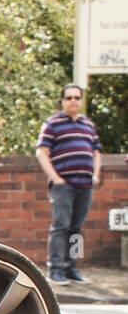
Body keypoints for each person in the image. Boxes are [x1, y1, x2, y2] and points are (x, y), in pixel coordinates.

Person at [36, 83, 103, 284]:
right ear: (63, 101)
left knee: (77, 228)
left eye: (77, 97)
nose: (73, 101)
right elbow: (41, 153)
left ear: (81, 100)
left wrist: (95, 175)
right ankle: (55, 270)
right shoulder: (52, 123)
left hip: (85, 185)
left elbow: (96, 153)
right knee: (60, 226)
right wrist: (56, 179)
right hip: (63, 186)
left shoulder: (88, 125)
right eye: (69, 97)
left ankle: (71, 268)